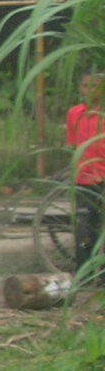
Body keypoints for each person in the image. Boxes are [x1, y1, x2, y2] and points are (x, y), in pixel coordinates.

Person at [65, 71, 105, 276]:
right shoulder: (74, 113)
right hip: (83, 178)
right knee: (84, 228)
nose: (89, 90)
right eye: (85, 85)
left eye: (94, 86)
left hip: (103, 176)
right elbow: (73, 145)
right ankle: (84, 275)